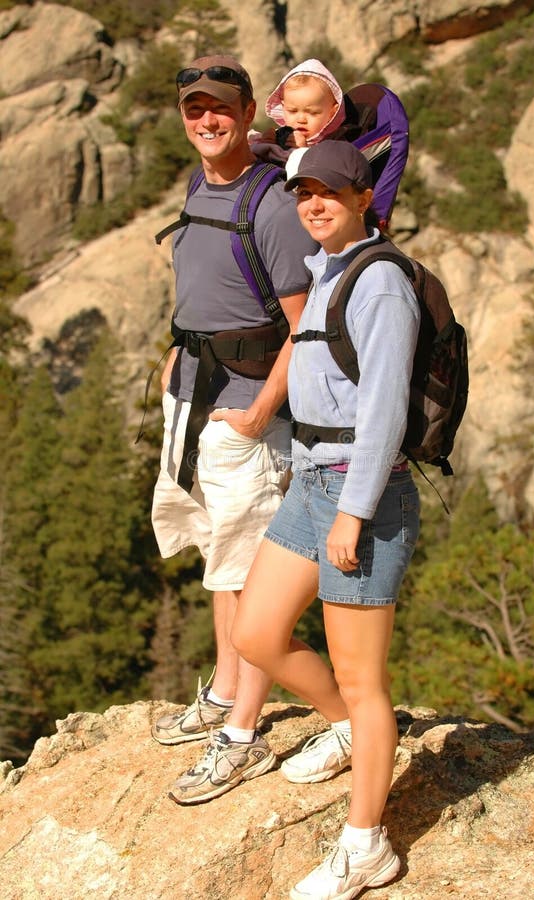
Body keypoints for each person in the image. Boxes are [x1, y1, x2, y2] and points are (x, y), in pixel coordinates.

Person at [232, 141, 421, 899]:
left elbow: (383, 411)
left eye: (328, 193)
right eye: (303, 192)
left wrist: (353, 513)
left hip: (358, 493)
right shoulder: (326, 269)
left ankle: (365, 844)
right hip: (312, 480)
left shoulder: (378, 283)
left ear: (362, 198)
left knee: (362, 677)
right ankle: (350, 730)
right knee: (255, 632)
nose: (313, 204)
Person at [150, 53, 317, 804]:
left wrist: (257, 412)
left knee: (252, 576)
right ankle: (222, 691)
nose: (207, 120)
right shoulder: (199, 184)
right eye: (194, 109)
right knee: (223, 560)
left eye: (220, 108)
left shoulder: (273, 204)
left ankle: (241, 736)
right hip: (196, 395)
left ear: (251, 113)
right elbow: (205, 282)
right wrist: (174, 349)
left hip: (246, 415)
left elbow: (302, 327)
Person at [249, 58, 346, 177]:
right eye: (292, 111)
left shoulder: (333, 146)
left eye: (313, 112)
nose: (301, 119)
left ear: (332, 112)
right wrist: (264, 145)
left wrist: (303, 152)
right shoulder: (281, 136)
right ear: (284, 108)